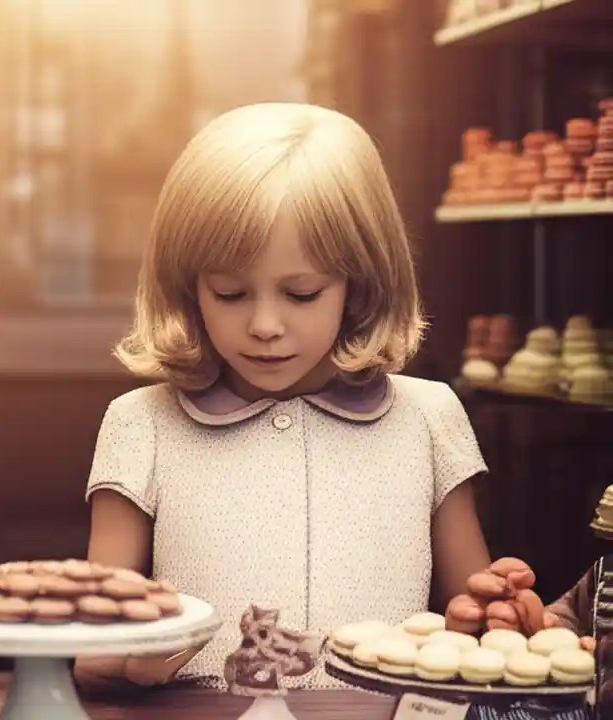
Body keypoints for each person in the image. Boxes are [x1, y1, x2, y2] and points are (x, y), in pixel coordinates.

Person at [74, 103, 492, 692]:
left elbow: (479, 634)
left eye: (301, 293)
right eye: (230, 291)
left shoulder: (427, 418)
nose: (265, 324)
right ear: (187, 289)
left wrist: (507, 619)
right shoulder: (142, 424)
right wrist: (140, 660)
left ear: (363, 284)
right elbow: (89, 661)